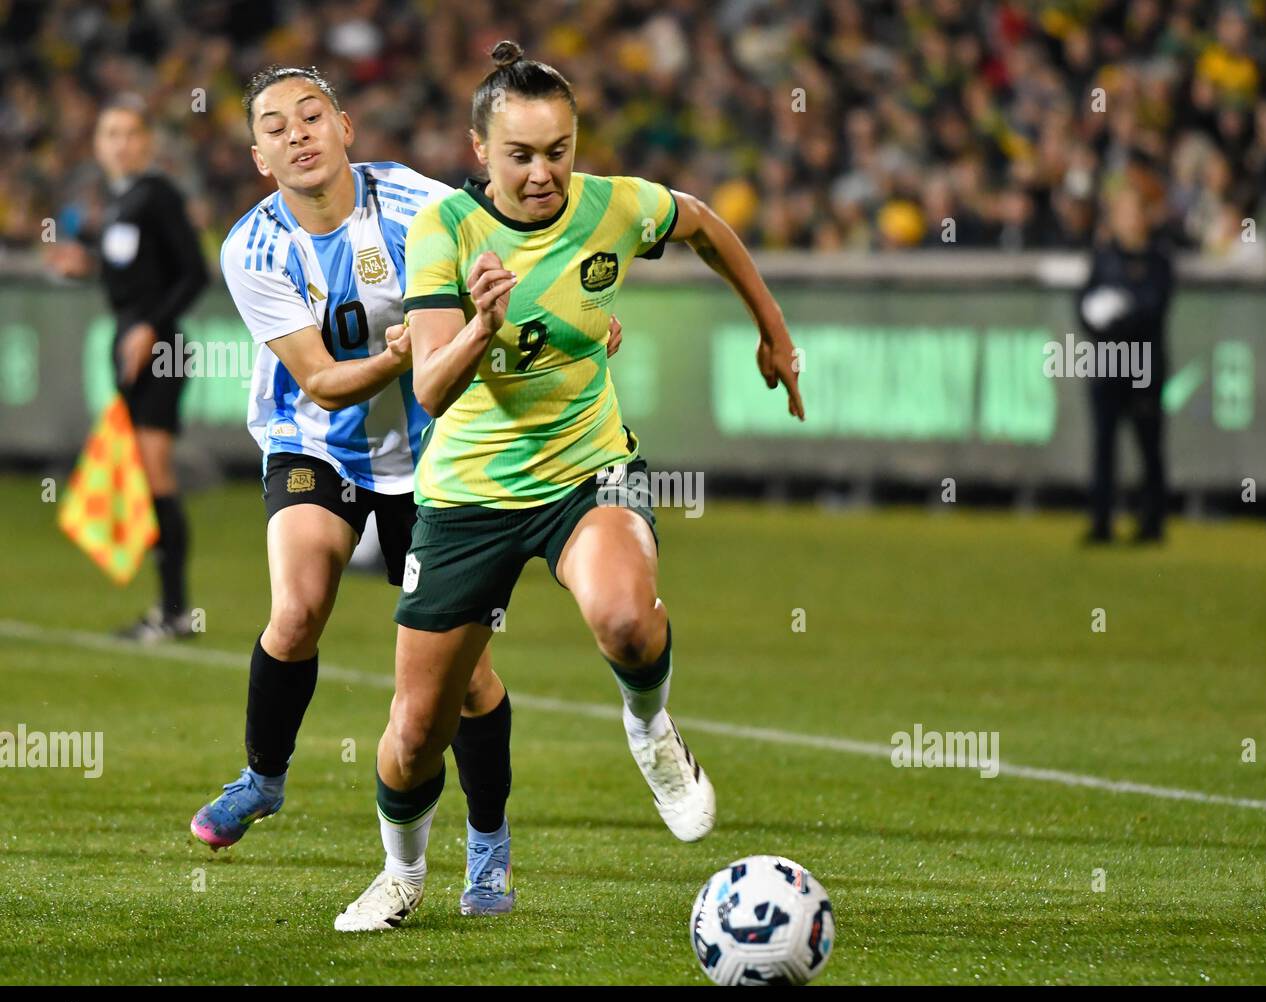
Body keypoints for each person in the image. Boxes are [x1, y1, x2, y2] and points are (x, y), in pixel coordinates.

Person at [333, 41, 804, 932]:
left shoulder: (614, 205)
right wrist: (482, 325)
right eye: (520, 155)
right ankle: (401, 872)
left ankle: (652, 731)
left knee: (625, 618)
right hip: (468, 495)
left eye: (559, 150)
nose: (543, 172)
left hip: (589, 469)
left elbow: (703, 223)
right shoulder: (445, 231)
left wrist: (772, 328)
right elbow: (429, 388)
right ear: (481, 150)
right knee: (417, 731)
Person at [192, 66, 623, 916]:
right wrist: (400, 360)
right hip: (315, 443)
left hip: (435, 461)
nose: (298, 134)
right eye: (276, 127)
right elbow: (321, 382)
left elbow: (519, 267)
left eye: (312, 116)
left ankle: (489, 842)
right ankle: (263, 777)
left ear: (346, 127)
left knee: (467, 678)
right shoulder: (251, 248)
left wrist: (580, 320)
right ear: (259, 158)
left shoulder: (419, 204)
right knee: (296, 610)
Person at [48, 96, 208, 640]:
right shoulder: (120, 200)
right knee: (141, 472)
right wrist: (89, 265)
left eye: (129, 133)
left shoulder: (157, 194)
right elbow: (137, 271)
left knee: (156, 472)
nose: (119, 143)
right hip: (131, 342)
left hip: (159, 347)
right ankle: (169, 607)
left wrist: (150, 327)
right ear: (98, 145)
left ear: (147, 141)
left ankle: (175, 611)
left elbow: (194, 273)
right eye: (109, 133)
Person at [1078, 185, 1174, 544]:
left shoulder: (1158, 260)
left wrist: (1119, 313)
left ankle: (1152, 523)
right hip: (1107, 365)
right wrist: (1098, 316)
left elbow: (1153, 307)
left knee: (1149, 446)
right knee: (1103, 446)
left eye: (1134, 211)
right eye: (1122, 212)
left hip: (1143, 366)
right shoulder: (1104, 258)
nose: (1128, 220)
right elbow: (1084, 304)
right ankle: (1101, 522)